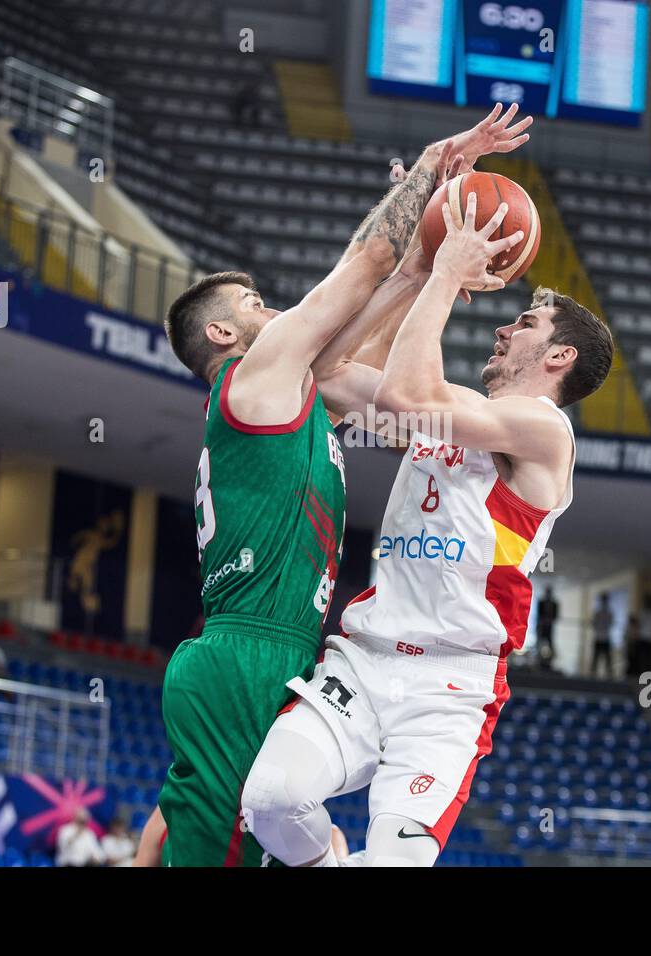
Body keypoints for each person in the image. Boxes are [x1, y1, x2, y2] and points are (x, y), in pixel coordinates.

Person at [153, 104, 530, 867]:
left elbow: (359, 365)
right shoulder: (256, 376)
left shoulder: (296, 392)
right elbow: (361, 266)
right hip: (247, 652)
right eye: (254, 305)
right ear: (222, 334)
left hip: (275, 648)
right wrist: (431, 166)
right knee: (222, 849)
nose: (274, 310)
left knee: (254, 838)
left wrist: (423, 270)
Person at [244, 180, 614, 866]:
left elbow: (406, 396)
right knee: (271, 799)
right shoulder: (455, 413)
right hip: (364, 657)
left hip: (450, 686)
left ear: (559, 357)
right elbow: (323, 372)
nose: (504, 327)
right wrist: (413, 272)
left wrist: (445, 274)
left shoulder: (545, 431)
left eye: (525, 323)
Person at [590, 593, 614, 679]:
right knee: (596, 659)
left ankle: (609, 675)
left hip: (605, 638)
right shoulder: (598, 613)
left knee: (607, 660)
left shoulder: (608, 613)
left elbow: (610, 624)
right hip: (599, 637)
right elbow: (594, 624)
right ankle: (593, 674)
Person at [535, 585, 558, 670]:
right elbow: (539, 614)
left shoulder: (554, 603)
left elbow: (555, 616)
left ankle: (549, 661)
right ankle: (538, 660)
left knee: (550, 643)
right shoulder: (541, 602)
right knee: (539, 643)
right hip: (541, 627)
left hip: (549, 627)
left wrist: (549, 621)